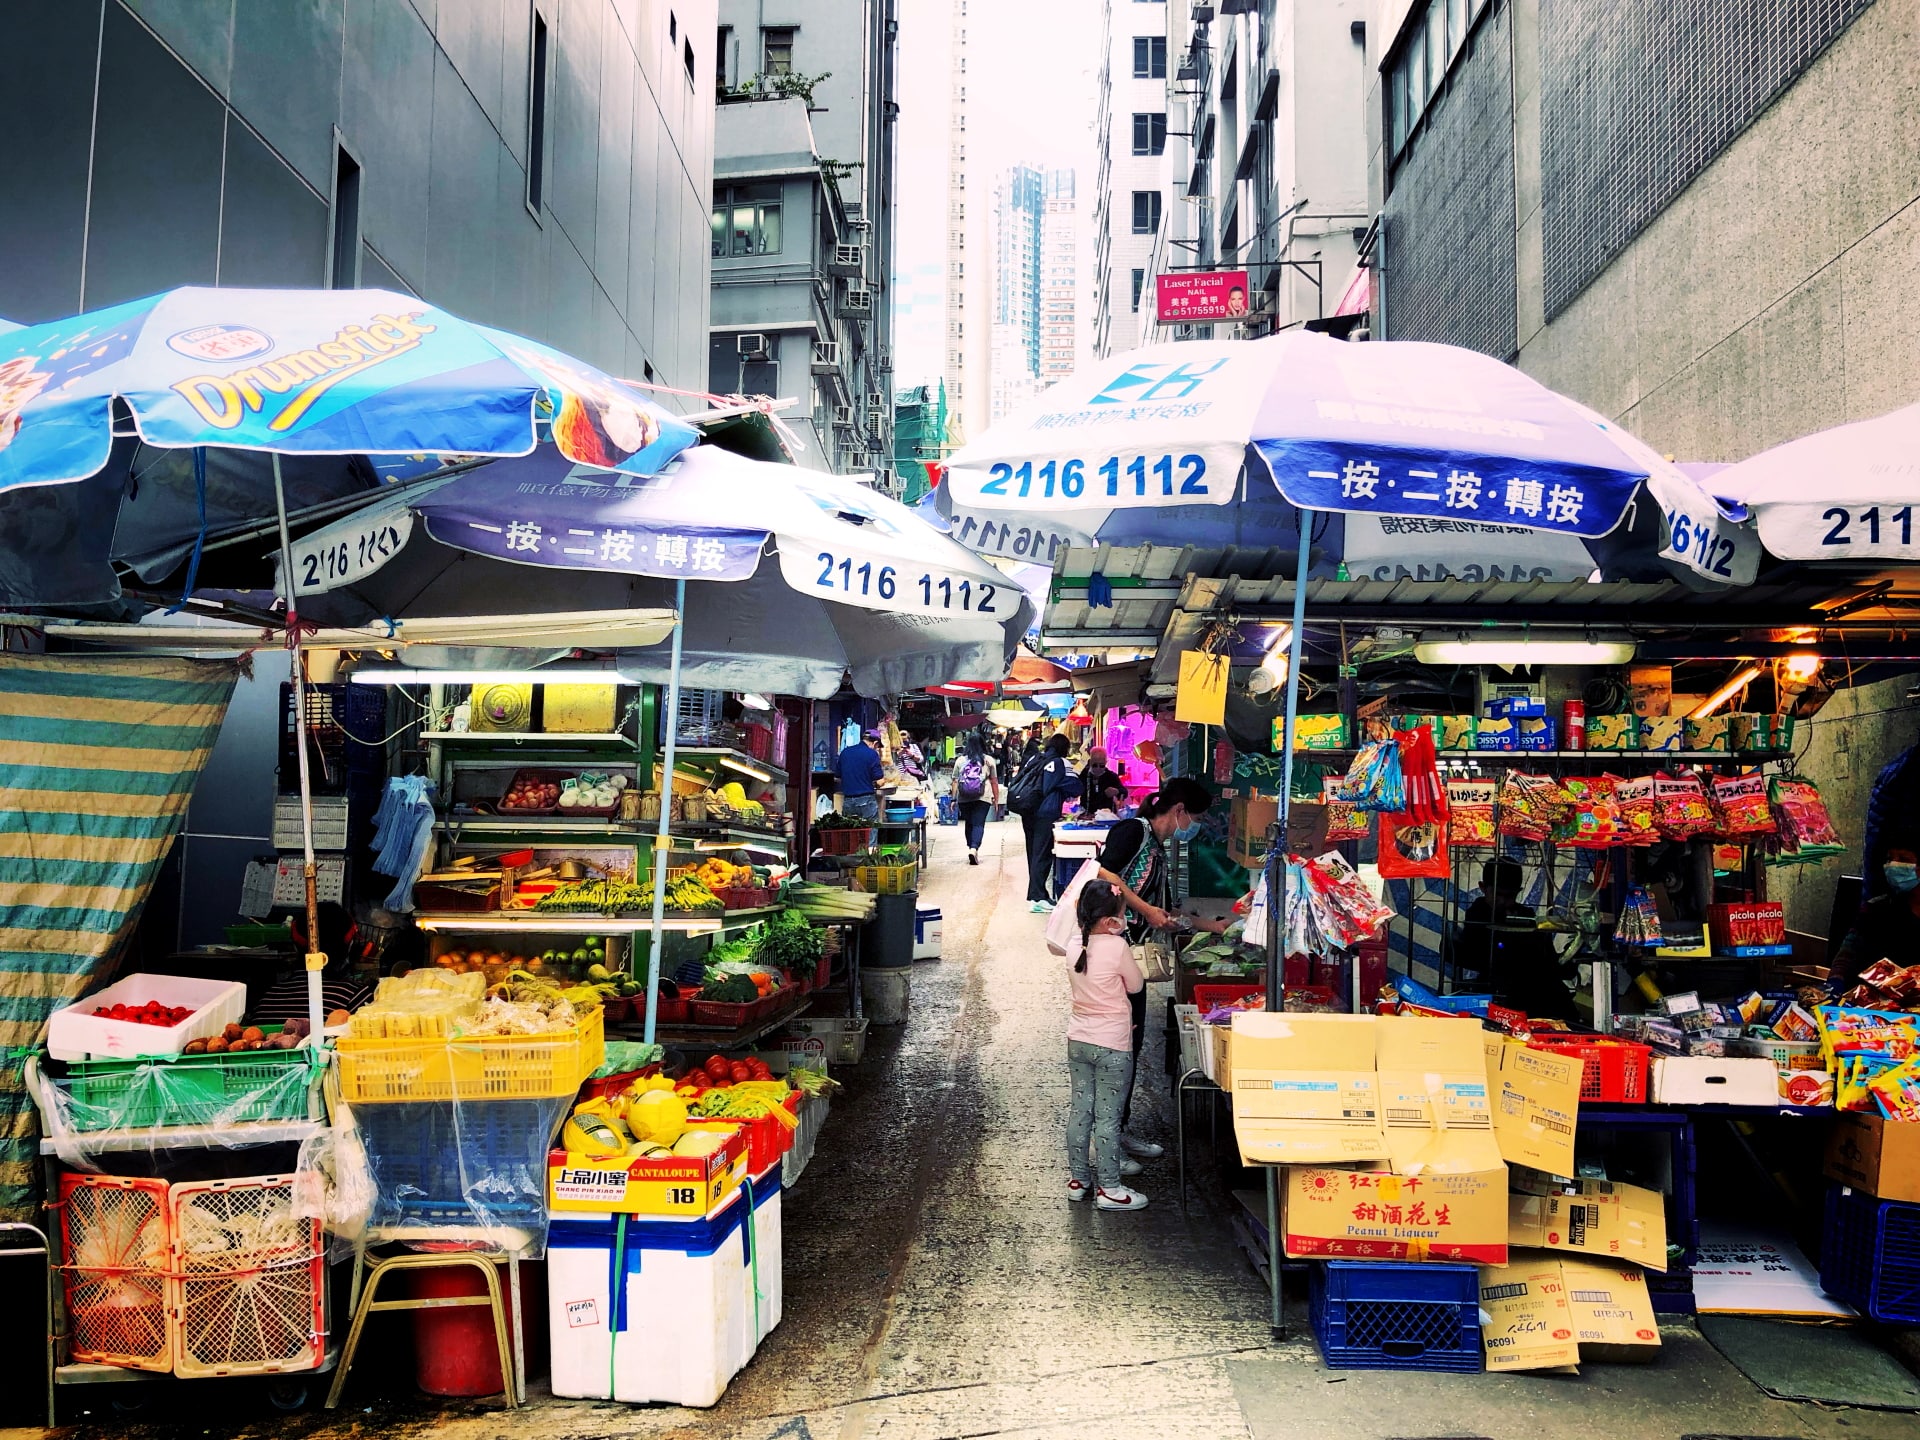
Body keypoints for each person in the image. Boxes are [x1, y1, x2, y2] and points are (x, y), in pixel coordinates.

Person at [1093, 778, 1227, 1157]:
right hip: (1110, 960)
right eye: (1196, 817)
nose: (1195, 826)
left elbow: (1167, 911)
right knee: (1116, 1048)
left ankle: (1117, 1132)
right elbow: (1105, 875)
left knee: (1128, 1047)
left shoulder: (1157, 847)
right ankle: (1107, 1147)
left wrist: (1211, 926)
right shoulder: (1133, 831)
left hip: (1129, 963)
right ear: (1180, 810)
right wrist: (1146, 910)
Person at [1065, 879, 1149, 1211]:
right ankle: (1110, 1188)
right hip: (1113, 1043)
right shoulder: (1117, 948)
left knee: (1080, 1112)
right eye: (1122, 912)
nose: (1124, 917)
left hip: (1079, 1040)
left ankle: (1078, 1180)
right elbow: (1137, 983)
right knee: (1108, 1118)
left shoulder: (1074, 946)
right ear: (1108, 920)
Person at [1455, 857, 1577, 1021]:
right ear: (1483, 888)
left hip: (1535, 988)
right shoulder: (1477, 915)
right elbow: (1483, 957)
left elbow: (1546, 956)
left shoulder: (1526, 915)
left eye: (1510, 896)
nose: (1504, 901)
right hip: (1501, 988)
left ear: (1518, 891)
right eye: (1498, 894)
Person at [1829, 833, 1920, 989]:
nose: (1893, 865)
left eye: (1904, 860)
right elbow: (1847, 953)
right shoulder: (1875, 910)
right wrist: (1835, 981)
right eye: (1889, 859)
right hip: (1874, 1003)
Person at [1014, 733, 1082, 912]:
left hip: (1027, 810)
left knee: (1033, 854)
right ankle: (1038, 898)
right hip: (1046, 812)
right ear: (1064, 749)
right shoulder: (1061, 763)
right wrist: (1060, 785)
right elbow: (1077, 787)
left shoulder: (1035, 758)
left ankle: (1036, 894)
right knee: (1042, 855)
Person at [950, 732, 999, 865]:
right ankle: (974, 848)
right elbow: (994, 781)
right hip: (983, 797)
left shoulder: (960, 760)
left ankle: (971, 846)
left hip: (964, 797)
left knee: (969, 823)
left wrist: (953, 799)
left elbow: (955, 781)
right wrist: (996, 799)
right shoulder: (988, 760)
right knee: (978, 823)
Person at [835, 728, 887, 821]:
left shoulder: (845, 752)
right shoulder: (872, 754)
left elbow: (837, 778)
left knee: (851, 833)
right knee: (869, 832)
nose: (877, 749)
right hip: (866, 801)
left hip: (848, 802)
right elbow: (879, 782)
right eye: (877, 746)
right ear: (875, 743)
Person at [1080, 747, 1126, 815]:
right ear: (1090, 762)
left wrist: (1117, 791)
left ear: (1106, 763)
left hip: (1106, 816)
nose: (1098, 768)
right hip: (1086, 815)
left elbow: (1124, 792)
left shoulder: (1111, 776)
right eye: (1095, 765)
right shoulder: (1084, 775)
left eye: (1101, 765)